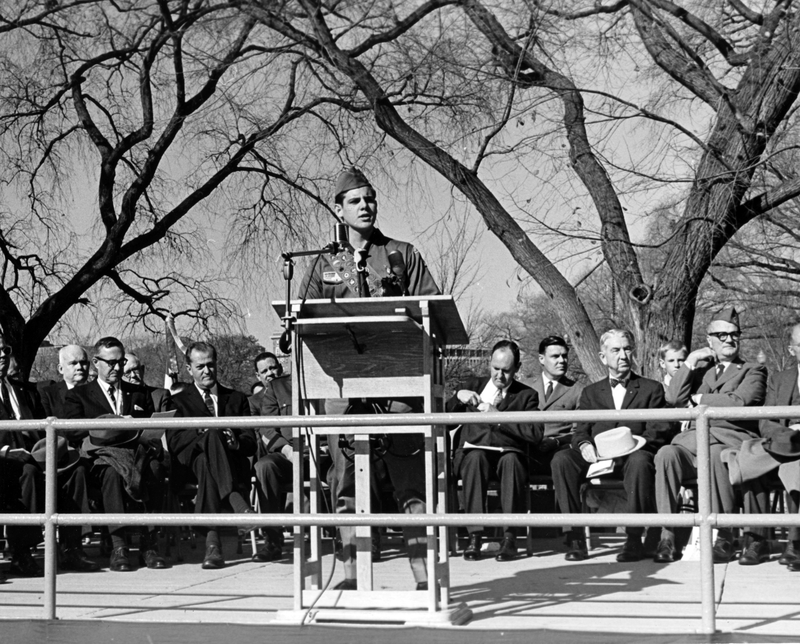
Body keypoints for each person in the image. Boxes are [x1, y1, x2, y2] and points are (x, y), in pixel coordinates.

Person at [298, 166, 440, 591]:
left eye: (370, 199)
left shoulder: (401, 253)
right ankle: (351, 575)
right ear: (339, 210)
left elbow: (433, 311)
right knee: (343, 481)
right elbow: (303, 318)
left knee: (410, 482)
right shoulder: (324, 261)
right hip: (341, 383)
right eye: (356, 201)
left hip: (399, 382)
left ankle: (422, 575)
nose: (366, 207)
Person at [656, 308, 768, 564]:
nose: (729, 340)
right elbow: (674, 398)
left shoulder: (752, 370)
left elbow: (740, 401)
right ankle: (667, 535)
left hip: (729, 442)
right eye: (721, 335)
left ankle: (723, 535)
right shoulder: (699, 371)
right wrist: (691, 360)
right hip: (693, 443)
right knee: (666, 454)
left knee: (716, 454)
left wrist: (698, 399)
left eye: (734, 334)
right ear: (709, 340)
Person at [552, 329, 674, 562]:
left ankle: (633, 538)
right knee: (562, 460)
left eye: (627, 349)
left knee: (640, 462)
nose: (623, 355)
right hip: (598, 456)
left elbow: (660, 427)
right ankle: (575, 537)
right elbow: (581, 431)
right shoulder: (590, 393)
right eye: (616, 350)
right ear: (602, 356)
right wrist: (585, 444)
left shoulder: (652, 388)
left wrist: (638, 444)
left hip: (634, 453)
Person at [64, 336, 165, 572]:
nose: (116, 368)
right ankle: (119, 546)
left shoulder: (138, 393)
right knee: (111, 473)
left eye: (120, 362)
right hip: (99, 459)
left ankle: (148, 545)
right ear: (96, 362)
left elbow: (149, 428)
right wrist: (114, 423)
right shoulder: (79, 395)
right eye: (110, 363)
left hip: (136, 454)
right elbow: (73, 430)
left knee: (153, 468)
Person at [447, 340, 541, 562]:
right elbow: (445, 421)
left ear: (516, 368)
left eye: (506, 371)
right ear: (489, 364)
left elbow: (535, 433)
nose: (499, 375)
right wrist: (457, 397)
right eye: (495, 368)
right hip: (474, 452)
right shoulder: (473, 384)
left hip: (507, 453)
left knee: (512, 462)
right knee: (474, 459)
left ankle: (509, 538)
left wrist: (498, 416)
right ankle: (474, 537)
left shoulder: (527, 395)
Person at [167, 341, 257, 570]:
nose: (207, 371)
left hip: (229, 464)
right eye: (200, 367)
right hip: (189, 467)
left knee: (209, 464)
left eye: (210, 365)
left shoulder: (236, 398)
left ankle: (213, 545)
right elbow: (175, 443)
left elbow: (250, 443)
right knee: (210, 437)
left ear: (216, 364)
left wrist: (234, 442)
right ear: (189, 369)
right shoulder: (177, 401)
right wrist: (204, 433)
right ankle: (237, 503)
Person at [756, 322, 800, 570]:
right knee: (748, 462)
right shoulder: (779, 379)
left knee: (797, 469)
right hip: (783, 442)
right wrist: (786, 435)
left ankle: (796, 542)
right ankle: (757, 538)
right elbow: (767, 421)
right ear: (792, 350)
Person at [249, 351, 292, 562]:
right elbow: (265, 430)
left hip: (317, 451)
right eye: (264, 371)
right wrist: (285, 449)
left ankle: (341, 533)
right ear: (258, 376)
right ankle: (272, 540)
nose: (270, 373)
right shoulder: (258, 400)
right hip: (283, 454)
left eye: (273, 367)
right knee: (265, 467)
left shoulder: (294, 385)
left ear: (281, 368)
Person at [530, 335, 582, 473]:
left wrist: (556, 441)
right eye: (555, 356)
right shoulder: (525, 386)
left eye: (564, 356)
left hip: (559, 452)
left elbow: (578, 431)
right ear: (542, 359)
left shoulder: (578, 390)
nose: (562, 361)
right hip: (528, 450)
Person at [40, 345, 92, 447]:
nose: (79, 367)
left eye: (83, 362)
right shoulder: (48, 394)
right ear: (60, 369)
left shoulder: (97, 392)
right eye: (73, 363)